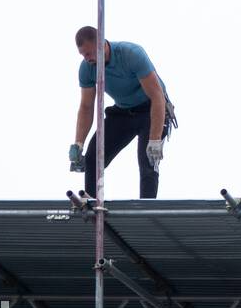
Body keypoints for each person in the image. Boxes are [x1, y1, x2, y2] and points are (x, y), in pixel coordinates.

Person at [70, 27, 175, 198]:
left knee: (148, 159)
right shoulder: (87, 68)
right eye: (83, 55)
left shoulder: (131, 55)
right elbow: (86, 107)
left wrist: (155, 139)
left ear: (101, 44)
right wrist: (78, 143)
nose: (87, 59)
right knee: (92, 157)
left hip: (151, 110)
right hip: (123, 113)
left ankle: (146, 208)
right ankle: (91, 202)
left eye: (89, 53)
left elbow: (157, 97)